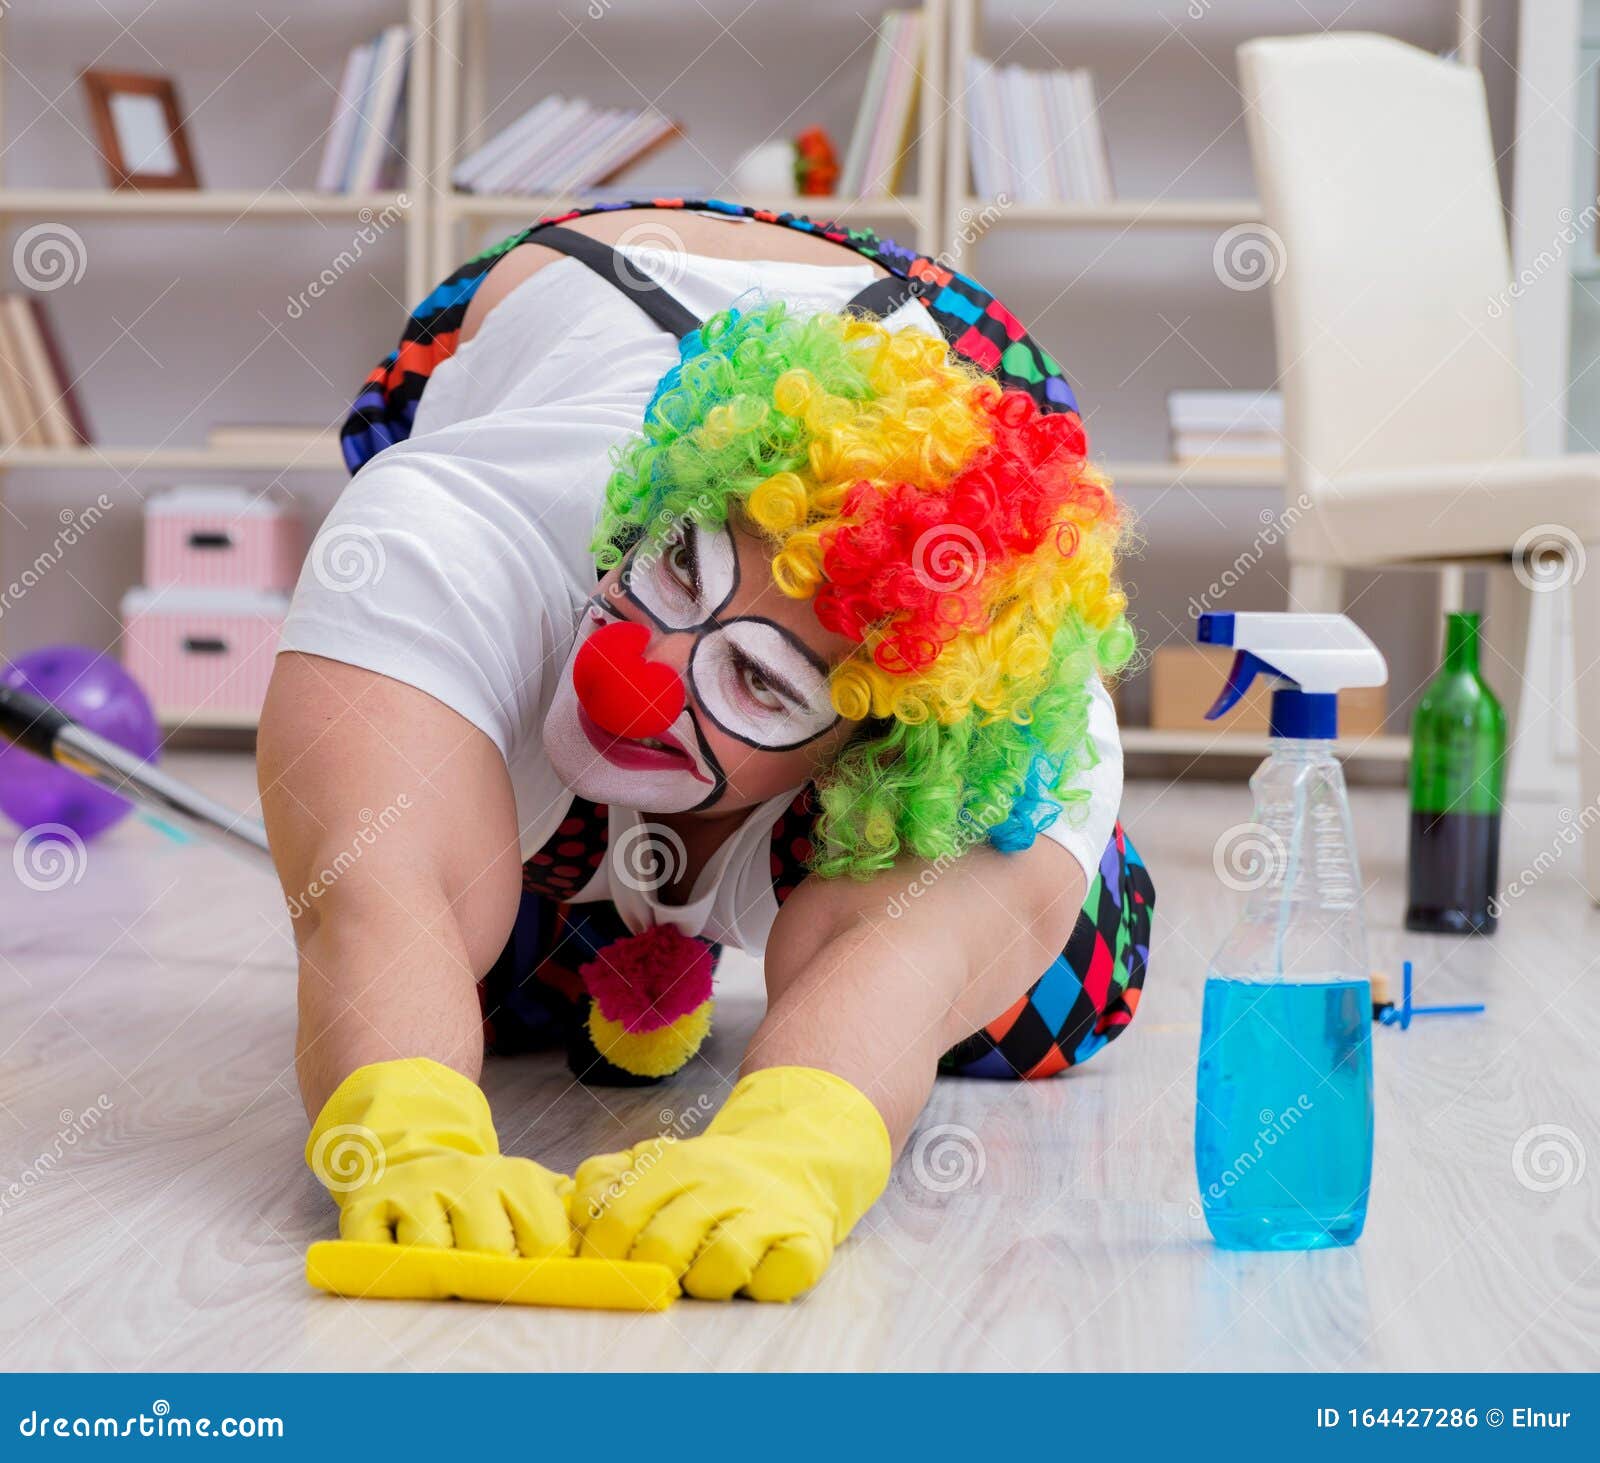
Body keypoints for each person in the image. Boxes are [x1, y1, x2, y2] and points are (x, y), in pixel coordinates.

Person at [259, 200, 1153, 1303]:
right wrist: (406, 1133)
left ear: (870, 745)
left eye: (760, 680)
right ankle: (633, 881)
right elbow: (375, 895)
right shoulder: (441, 534)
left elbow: (904, 965)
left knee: (1044, 1011)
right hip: (580, 274)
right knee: (483, 971)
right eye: (678, 569)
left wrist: (791, 1151)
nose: (631, 672)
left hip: (950, 369)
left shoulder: (1014, 730)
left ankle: (689, 875)